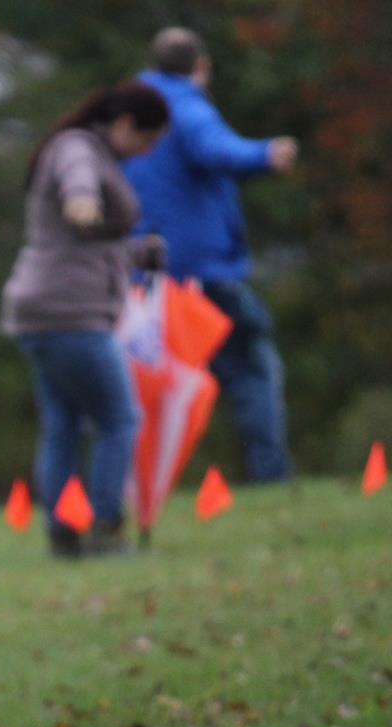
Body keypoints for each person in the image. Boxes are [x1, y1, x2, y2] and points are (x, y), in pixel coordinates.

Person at [1, 82, 170, 557]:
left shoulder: (88, 150)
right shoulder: (77, 147)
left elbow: (89, 243)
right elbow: (78, 187)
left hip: (39, 308)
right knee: (120, 417)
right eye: (147, 139)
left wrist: (138, 252)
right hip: (70, 311)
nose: (146, 151)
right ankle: (106, 528)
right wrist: (80, 198)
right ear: (123, 124)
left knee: (64, 424)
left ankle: (63, 532)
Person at [126, 27, 300, 482]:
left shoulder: (125, 111)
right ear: (201, 67)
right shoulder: (185, 107)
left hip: (143, 275)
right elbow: (217, 148)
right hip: (200, 274)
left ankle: (128, 486)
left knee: (141, 386)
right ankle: (271, 477)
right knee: (250, 369)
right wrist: (267, 153)